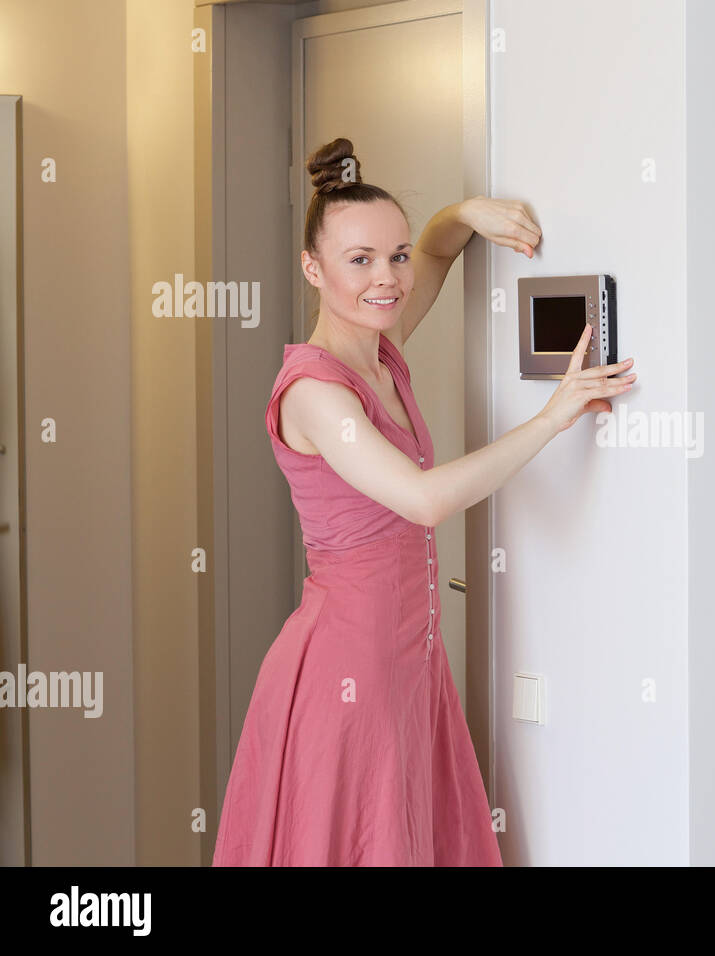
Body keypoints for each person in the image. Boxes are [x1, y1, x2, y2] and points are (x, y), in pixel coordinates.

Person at [211, 137, 635, 866]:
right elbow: (422, 500)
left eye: (395, 255)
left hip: (409, 661)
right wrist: (551, 417)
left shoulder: (380, 349)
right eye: (360, 260)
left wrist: (459, 215)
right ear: (313, 269)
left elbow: (437, 255)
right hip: (348, 670)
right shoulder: (315, 393)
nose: (388, 279)